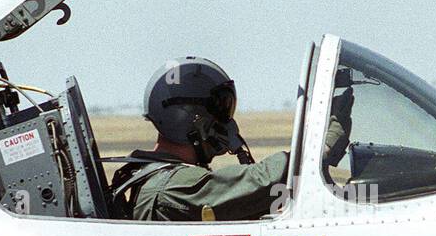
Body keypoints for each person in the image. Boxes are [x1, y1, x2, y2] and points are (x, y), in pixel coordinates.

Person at [111, 57, 351, 222]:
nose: (227, 123)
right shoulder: (173, 187)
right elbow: (263, 181)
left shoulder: (159, 177)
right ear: (193, 119)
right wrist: (323, 146)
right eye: (222, 110)